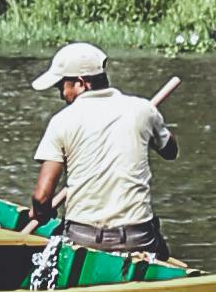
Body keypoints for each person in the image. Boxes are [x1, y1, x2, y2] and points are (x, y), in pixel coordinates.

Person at [23, 41, 178, 258]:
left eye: (61, 86)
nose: (61, 94)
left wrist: (42, 213)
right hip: (139, 238)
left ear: (80, 83)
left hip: (83, 238)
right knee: (160, 246)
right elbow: (171, 151)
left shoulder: (62, 121)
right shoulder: (142, 110)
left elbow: (41, 197)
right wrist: (154, 125)